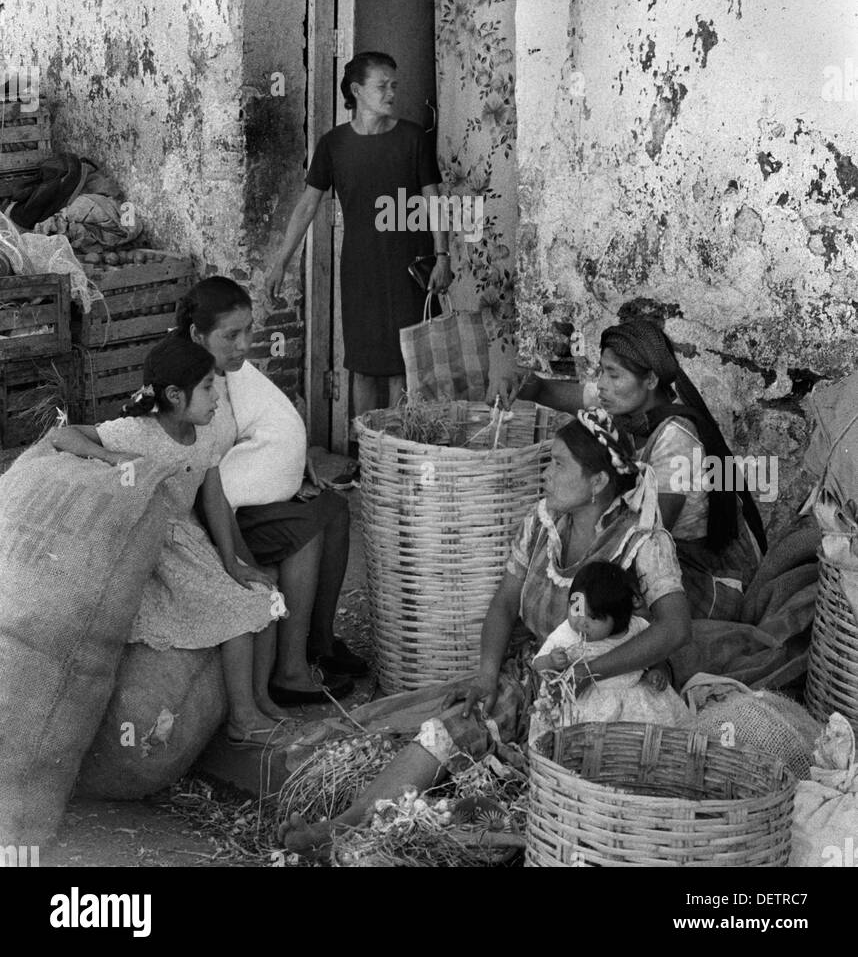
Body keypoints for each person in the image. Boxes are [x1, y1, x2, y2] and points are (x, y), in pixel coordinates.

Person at [278, 408, 691, 851]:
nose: (546, 475)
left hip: (609, 691)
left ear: (598, 484)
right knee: (448, 729)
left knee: (562, 787)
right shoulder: (542, 524)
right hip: (537, 674)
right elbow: (504, 604)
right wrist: (488, 674)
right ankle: (341, 827)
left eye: (558, 464)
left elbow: (675, 628)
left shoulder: (641, 542)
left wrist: (591, 672)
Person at [50, 333, 290, 747]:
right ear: (176, 395)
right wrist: (112, 459)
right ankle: (242, 720)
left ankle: (260, 700)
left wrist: (231, 562)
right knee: (238, 610)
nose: (217, 397)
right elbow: (63, 435)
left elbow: (213, 496)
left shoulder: (210, 431)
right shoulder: (137, 434)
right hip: (153, 550)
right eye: (209, 388)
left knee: (265, 594)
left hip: (190, 542)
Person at [174, 276, 367, 706]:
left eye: (249, 331)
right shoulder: (194, 385)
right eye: (232, 335)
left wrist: (298, 456)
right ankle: (290, 671)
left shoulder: (220, 371)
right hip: (222, 508)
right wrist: (232, 559)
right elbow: (209, 475)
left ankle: (320, 641)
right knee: (306, 530)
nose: (245, 345)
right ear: (196, 335)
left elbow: (251, 427)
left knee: (335, 509)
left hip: (244, 490)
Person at [264, 51, 452, 435]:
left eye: (394, 86)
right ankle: (366, 454)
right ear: (356, 90)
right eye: (382, 86)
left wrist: (443, 257)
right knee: (363, 366)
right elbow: (306, 207)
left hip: (409, 268)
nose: (391, 93)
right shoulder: (334, 144)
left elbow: (435, 202)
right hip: (360, 268)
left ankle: (398, 451)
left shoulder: (412, 138)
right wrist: (282, 260)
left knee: (405, 364)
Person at [596, 317, 767, 620]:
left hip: (709, 576)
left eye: (612, 375)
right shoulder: (632, 407)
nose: (601, 384)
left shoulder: (676, 438)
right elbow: (565, 396)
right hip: (673, 555)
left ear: (649, 380)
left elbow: (646, 534)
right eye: (601, 372)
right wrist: (534, 388)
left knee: (609, 611)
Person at [529, 559, 689, 741]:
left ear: (618, 617)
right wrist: (550, 660)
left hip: (635, 704)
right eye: (576, 608)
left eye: (594, 617)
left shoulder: (636, 628)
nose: (581, 621)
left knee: (647, 742)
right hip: (587, 707)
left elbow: (655, 655)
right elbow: (537, 664)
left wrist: (656, 671)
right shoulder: (566, 634)